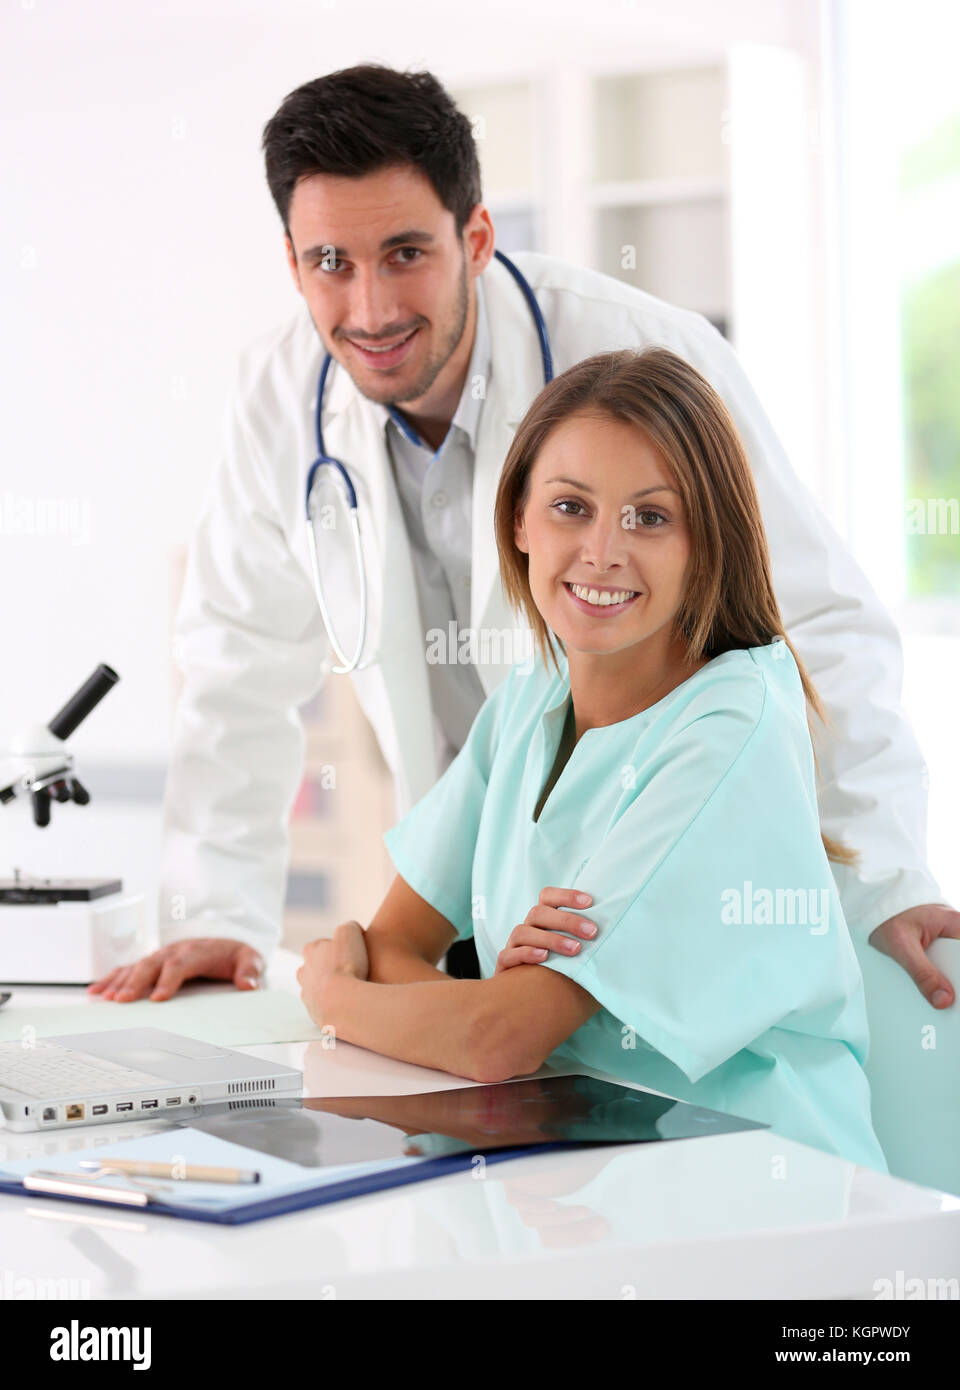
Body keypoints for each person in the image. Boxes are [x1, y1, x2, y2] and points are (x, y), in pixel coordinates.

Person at [88, 64, 957, 1007]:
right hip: (477, 896)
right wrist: (216, 912)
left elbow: (817, 623)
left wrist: (884, 879)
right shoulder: (278, 395)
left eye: (407, 252)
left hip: (656, 884)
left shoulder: (636, 354)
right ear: (293, 262)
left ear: (478, 236)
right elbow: (236, 666)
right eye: (331, 263)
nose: (371, 309)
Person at [294, 347, 887, 1171]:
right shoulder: (534, 694)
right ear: (519, 523)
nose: (603, 552)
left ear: (705, 543)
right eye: (571, 507)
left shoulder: (729, 725)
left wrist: (335, 999)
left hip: (759, 1178)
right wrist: (489, 1012)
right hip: (579, 1156)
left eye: (650, 517)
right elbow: (398, 944)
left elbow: (492, 1041)